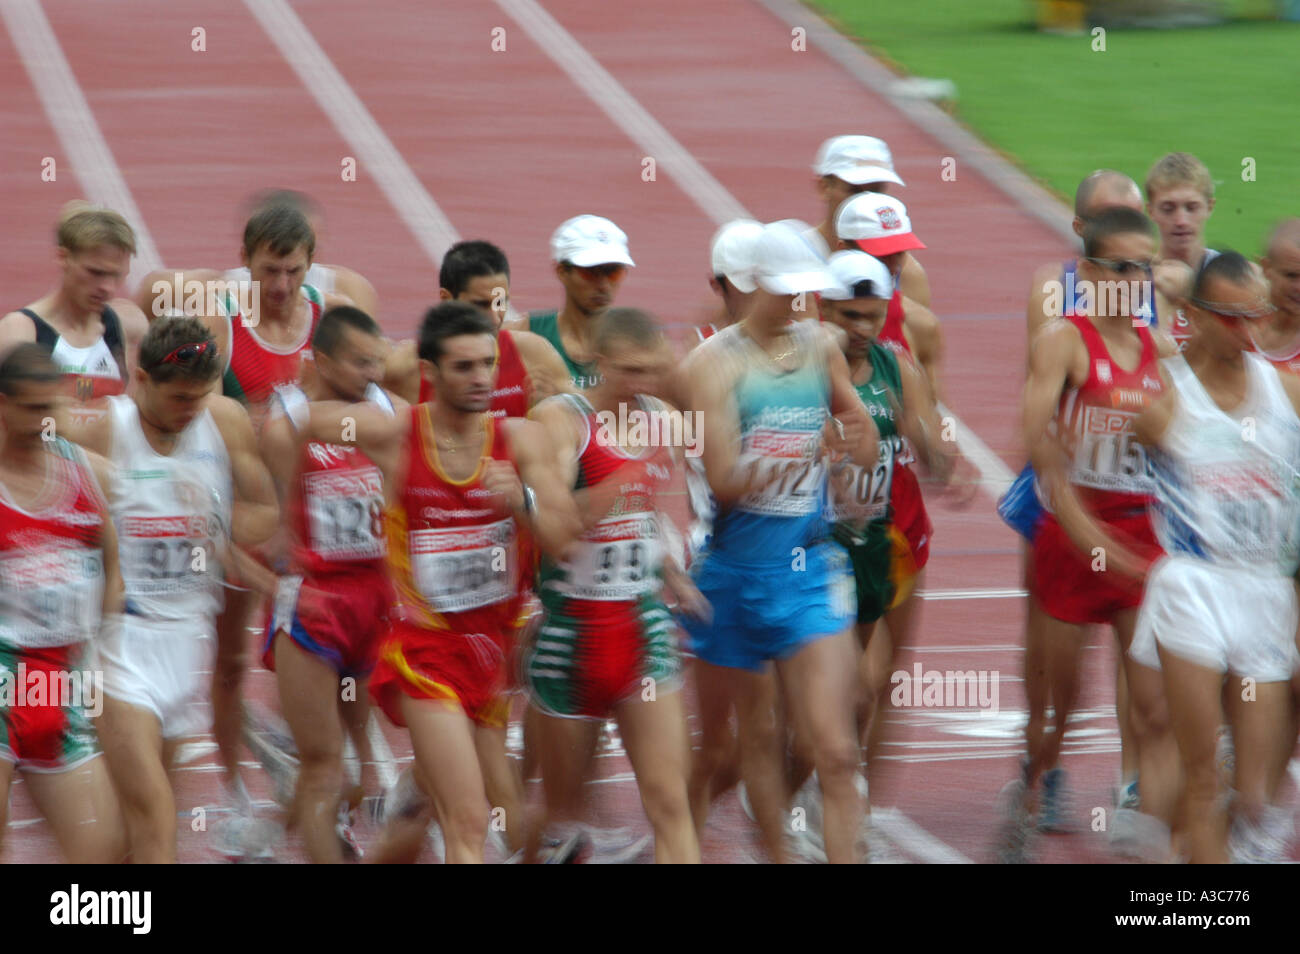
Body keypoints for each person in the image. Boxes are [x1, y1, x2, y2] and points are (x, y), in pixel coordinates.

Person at [294, 301, 580, 863]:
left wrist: (519, 500)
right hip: (423, 652)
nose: (481, 379)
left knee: (435, 810)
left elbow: (564, 538)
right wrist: (292, 530)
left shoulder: (520, 441)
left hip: (490, 653)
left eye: (488, 364)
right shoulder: (395, 434)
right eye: (463, 367)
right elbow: (294, 422)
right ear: (429, 372)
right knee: (470, 820)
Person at [684, 220, 878, 863]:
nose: (801, 303)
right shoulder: (712, 365)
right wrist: (799, 449)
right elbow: (724, 479)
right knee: (740, 744)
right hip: (733, 573)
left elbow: (856, 422)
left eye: (808, 291)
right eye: (789, 290)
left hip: (805, 572)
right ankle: (698, 841)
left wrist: (853, 443)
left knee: (837, 750)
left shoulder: (822, 344)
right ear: (756, 283)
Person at [58, 316, 279, 863]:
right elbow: (38, 490)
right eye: (180, 397)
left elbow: (265, 511)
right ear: (140, 379)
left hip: (188, 642)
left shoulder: (222, 420)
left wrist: (220, 524)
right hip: (121, 642)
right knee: (157, 815)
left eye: (200, 396)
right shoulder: (105, 428)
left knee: (129, 839)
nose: (191, 409)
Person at [1003, 208, 1179, 861]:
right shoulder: (1064, 340)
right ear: (1088, 271)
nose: (1137, 278)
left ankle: (1145, 839)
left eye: (1147, 266)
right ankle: (1027, 793)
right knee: (1059, 712)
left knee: (1156, 711)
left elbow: (1181, 445)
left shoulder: (1160, 348)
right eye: (1124, 265)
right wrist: (1087, 536)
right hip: (1074, 540)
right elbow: (1041, 447)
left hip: (1143, 533)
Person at [1119, 252, 1300, 863]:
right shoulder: (1162, 405)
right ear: (1194, 315)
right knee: (1203, 775)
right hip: (1192, 588)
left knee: (1252, 796)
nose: (1248, 333)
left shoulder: (1289, 394)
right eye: (1231, 318)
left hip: (1264, 593)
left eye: (1257, 316)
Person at [525, 307, 705, 863]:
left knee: (669, 801)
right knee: (562, 817)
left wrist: (675, 577)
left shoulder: (661, 422)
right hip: (570, 635)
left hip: (641, 624)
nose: (644, 384)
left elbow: (648, 518)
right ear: (599, 363)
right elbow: (552, 528)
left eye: (651, 371)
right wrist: (616, 485)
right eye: (630, 371)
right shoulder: (561, 421)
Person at [819, 250, 960, 858]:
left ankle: (844, 801)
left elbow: (935, 454)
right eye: (850, 315)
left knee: (866, 689)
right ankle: (815, 798)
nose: (861, 328)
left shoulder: (895, 364)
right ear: (823, 307)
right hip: (811, 551)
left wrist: (930, 441)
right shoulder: (800, 369)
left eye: (873, 316)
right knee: (832, 690)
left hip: (876, 545)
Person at [258, 305, 406, 862]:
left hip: (376, 605)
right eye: (359, 362)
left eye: (378, 360)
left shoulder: (390, 407)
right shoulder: (287, 416)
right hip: (315, 606)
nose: (373, 373)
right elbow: (271, 461)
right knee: (324, 766)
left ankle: (300, 815)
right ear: (321, 360)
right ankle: (309, 807)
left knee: (366, 766)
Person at [0, 344, 127, 863]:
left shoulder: (87, 474)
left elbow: (114, 570)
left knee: (101, 857)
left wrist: (106, 651)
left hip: (62, 683)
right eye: (30, 409)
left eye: (49, 408)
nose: (42, 422)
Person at [0, 203, 149, 426]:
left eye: (116, 276)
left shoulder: (126, 324)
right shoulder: (20, 331)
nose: (107, 287)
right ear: (63, 258)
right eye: (95, 273)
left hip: (106, 459)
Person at [384, 239, 570, 410]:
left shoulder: (535, 356)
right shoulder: (403, 369)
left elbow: (590, 425)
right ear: (447, 299)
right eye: (480, 305)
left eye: (500, 303)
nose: (495, 319)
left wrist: (555, 415)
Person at [505, 215, 635, 390]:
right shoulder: (520, 334)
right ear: (562, 271)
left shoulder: (640, 343)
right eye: (590, 272)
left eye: (613, 273)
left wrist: (564, 392)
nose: (603, 285)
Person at [809, 136, 930, 306]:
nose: (865, 200)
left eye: (877, 190)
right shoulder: (793, 260)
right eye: (854, 190)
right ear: (824, 187)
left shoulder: (907, 273)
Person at [1145, 152, 1220, 349]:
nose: (1181, 221)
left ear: (1209, 207)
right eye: (1168, 209)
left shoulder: (1230, 280)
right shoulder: (1135, 280)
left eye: (1191, 207)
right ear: (1150, 211)